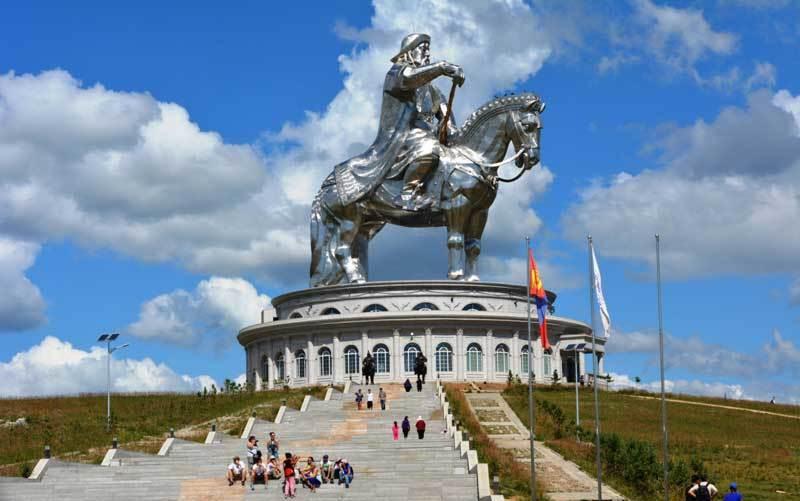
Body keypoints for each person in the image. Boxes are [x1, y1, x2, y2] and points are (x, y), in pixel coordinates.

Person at [332, 33, 464, 212]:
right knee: (429, 149)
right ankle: (408, 195)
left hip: (426, 136)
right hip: (402, 137)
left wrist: (452, 132)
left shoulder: (433, 91)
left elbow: (447, 118)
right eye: (423, 49)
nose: (427, 54)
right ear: (409, 53)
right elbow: (409, 79)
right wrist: (441, 68)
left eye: (428, 50)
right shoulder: (396, 74)